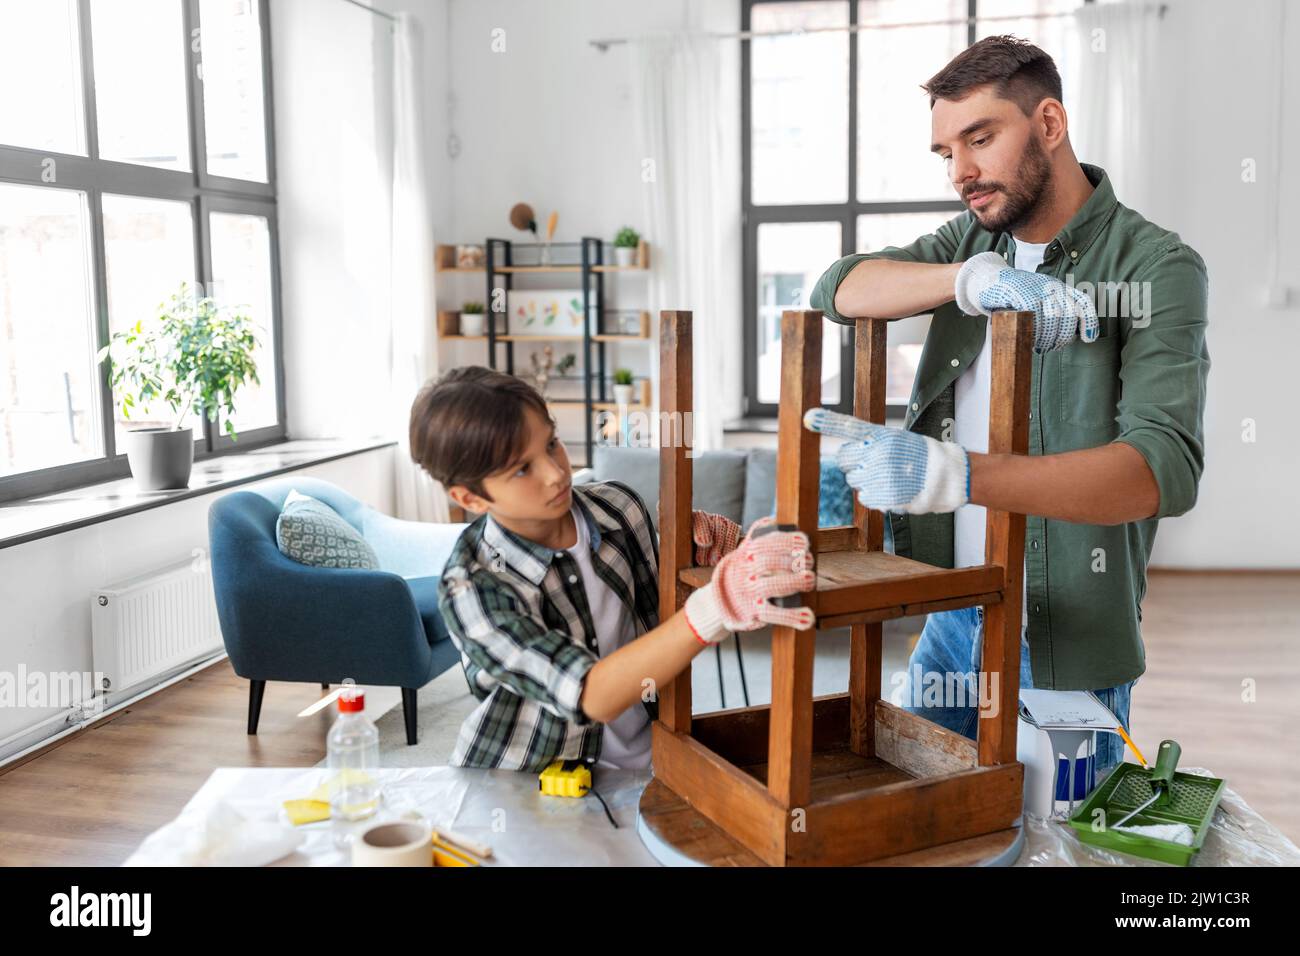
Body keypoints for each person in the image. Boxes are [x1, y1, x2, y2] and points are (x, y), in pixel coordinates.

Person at [806, 36, 1209, 782]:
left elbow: (1161, 470)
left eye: (980, 138)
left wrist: (956, 473)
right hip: (956, 614)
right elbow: (837, 288)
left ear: (1049, 124)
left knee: (1056, 846)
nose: (960, 172)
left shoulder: (1155, 266)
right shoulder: (974, 238)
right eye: (944, 152)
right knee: (912, 803)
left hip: (1068, 636)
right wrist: (970, 281)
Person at [408, 366, 815, 772]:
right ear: (471, 497)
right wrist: (713, 605)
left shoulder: (619, 510)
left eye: (551, 444)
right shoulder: (472, 587)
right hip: (527, 783)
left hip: (649, 758)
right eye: (521, 469)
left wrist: (701, 563)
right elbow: (590, 695)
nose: (555, 473)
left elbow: (662, 625)